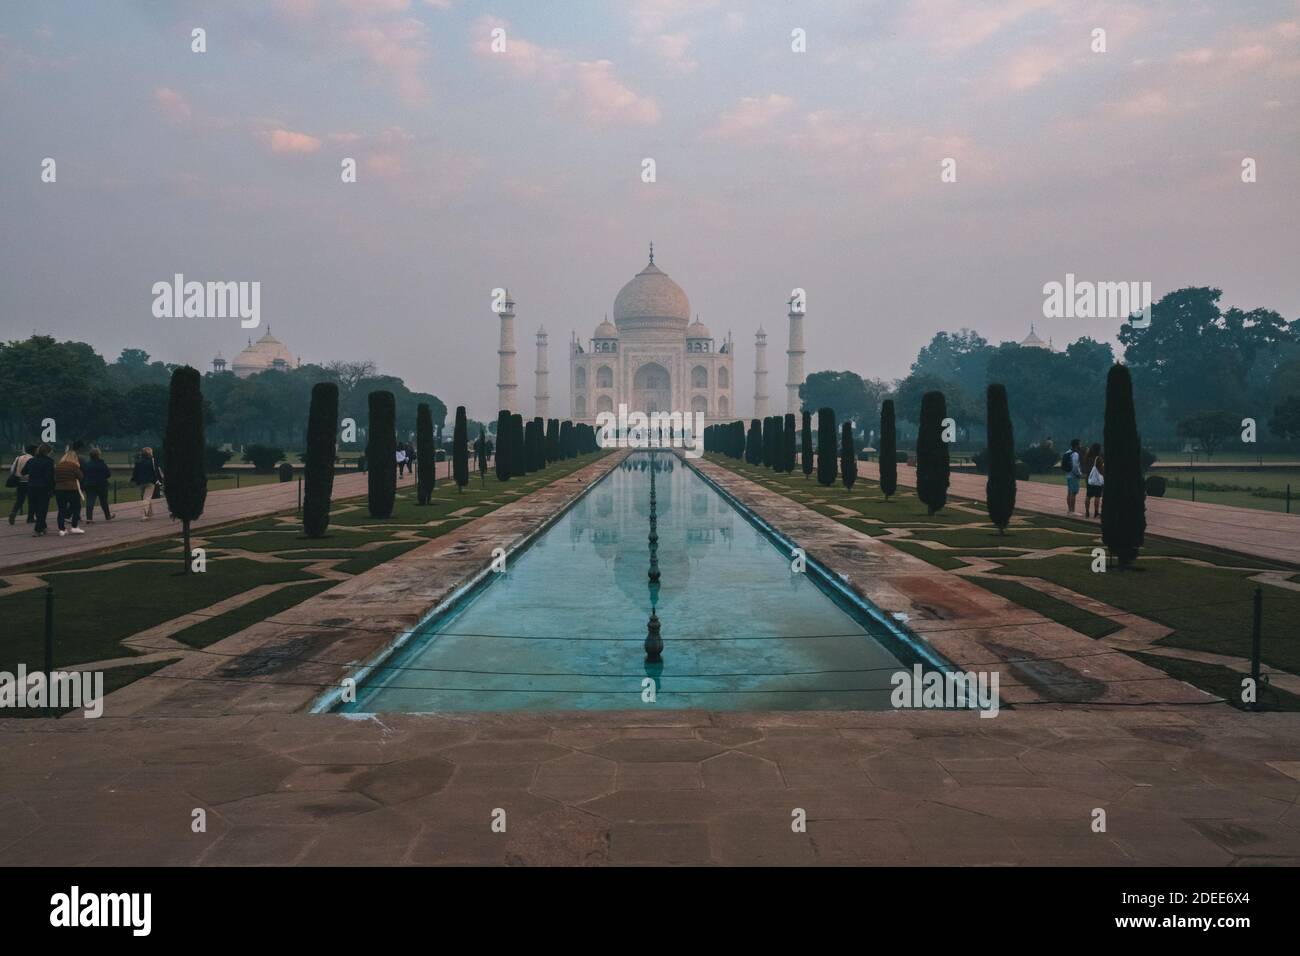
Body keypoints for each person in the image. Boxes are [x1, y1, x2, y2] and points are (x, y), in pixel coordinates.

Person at [21, 444, 55, 536]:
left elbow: (23, 472)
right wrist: (52, 488)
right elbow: (49, 477)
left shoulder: (31, 461)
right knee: (42, 509)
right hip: (43, 488)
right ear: (48, 452)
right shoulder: (49, 462)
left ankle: (42, 526)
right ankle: (38, 529)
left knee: (36, 507)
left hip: (32, 486)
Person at [52, 448, 85, 536]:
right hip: (72, 489)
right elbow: (81, 476)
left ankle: (62, 529)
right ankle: (74, 527)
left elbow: (54, 478)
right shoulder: (74, 465)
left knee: (61, 509)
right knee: (76, 507)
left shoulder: (58, 466)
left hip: (59, 490)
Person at [83, 447, 114, 522]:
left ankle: (89, 518)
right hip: (101, 484)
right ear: (98, 455)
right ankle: (107, 516)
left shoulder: (87, 464)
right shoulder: (102, 464)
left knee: (90, 501)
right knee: (104, 501)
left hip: (90, 485)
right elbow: (108, 474)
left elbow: (84, 474)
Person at [131, 447, 163, 520]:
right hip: (150, 482)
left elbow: (135, 473)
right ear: (150, 453)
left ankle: (149, 513)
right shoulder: (152, 461)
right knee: (146, 498)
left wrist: (135, 481)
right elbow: (156, 471)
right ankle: (143, 515)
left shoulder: (138, 462)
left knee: (146, 497)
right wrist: (159, 481)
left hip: (141, 483)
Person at [7, 444, 35, 525]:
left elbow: (12, 469)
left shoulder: (18, 458)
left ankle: (14, 512)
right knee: (32, 500)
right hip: (30, 482)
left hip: (20, 481)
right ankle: (30, 517)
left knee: (20, 500)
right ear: (33, 451)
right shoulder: (32, 459)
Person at [1083, 442, 1104, 519]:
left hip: (1089, 479)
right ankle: (1096, 512)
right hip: (1097, 480)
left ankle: (1087, 512)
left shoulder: (1087, 457)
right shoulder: (1098, 458)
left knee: (1088, 496)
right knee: (1097, 496)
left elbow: (1084, 466)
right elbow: (1101, 470)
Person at [1064, 437, 1082, 515]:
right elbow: (1075, 466)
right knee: (1073, 493)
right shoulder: (1075, 454)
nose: (1081, 445)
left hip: (1068, 475)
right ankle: (1072, 511)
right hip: (1073, 475)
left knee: (1069, 493)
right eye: (1080, 444)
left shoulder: (1067, 452)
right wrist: (1079, 474)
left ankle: (1069, 510)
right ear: (1076, 445)